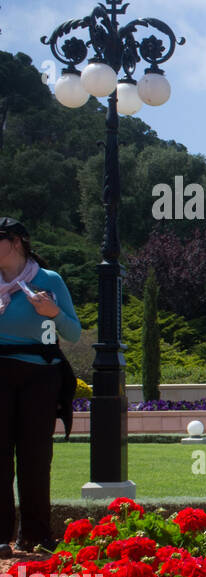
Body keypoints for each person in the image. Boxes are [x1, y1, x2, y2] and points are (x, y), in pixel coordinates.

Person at [0, 217, 81, 557]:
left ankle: (36, 535)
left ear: (16, 242)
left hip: (40, 376)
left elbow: (73, 333)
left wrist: (53, 311)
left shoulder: (49, 280)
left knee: (35, 456)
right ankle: (1, 536)